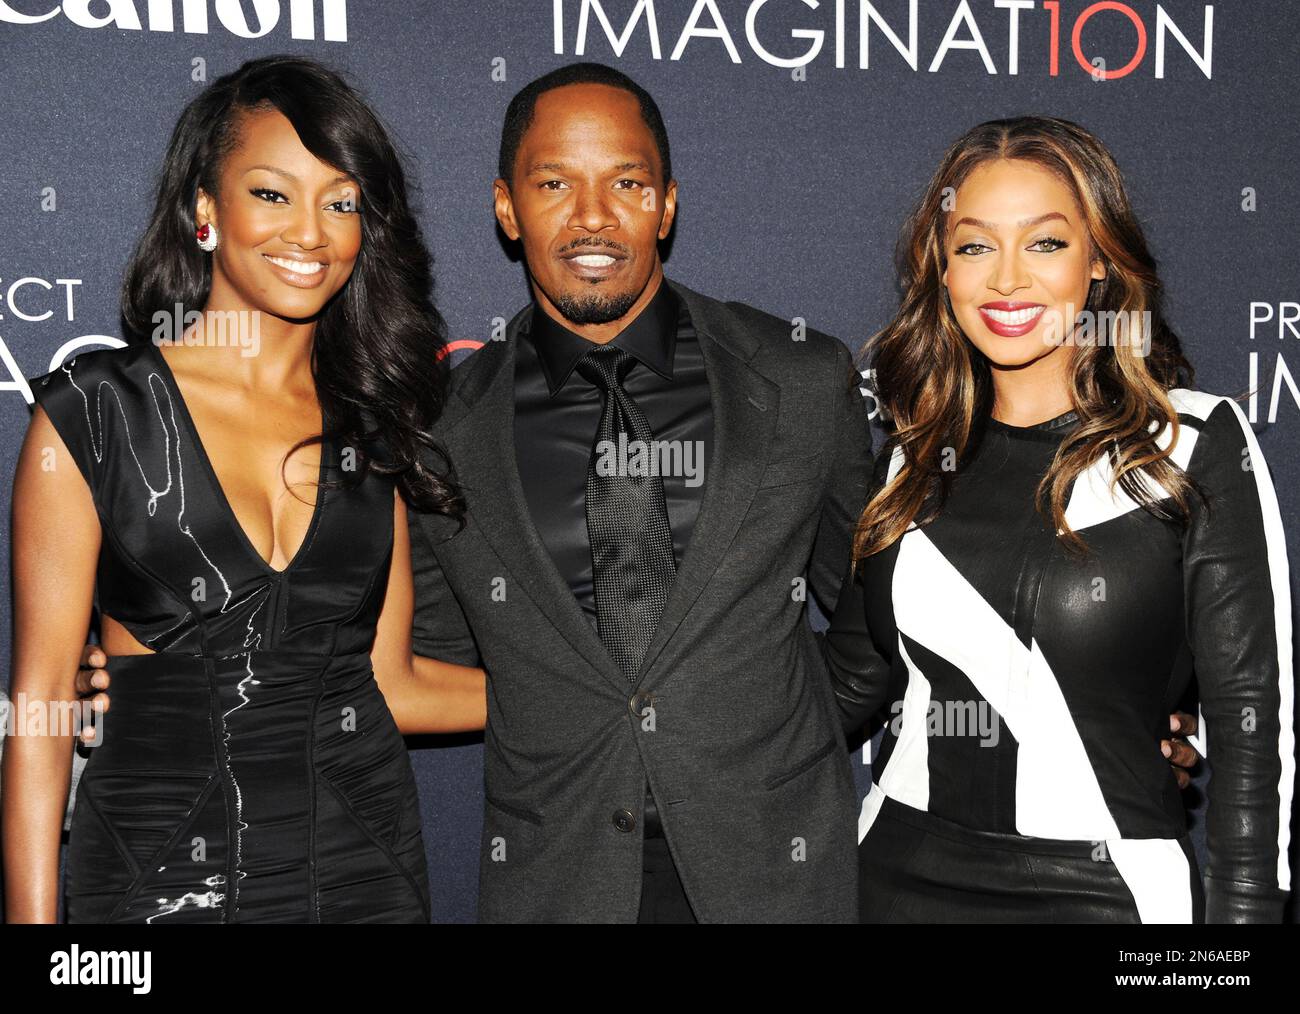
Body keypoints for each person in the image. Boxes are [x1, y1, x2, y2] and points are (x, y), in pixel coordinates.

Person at [401, 65, 1200, 923]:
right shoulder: (444, 426)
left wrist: (1106, 715)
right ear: (506, 206)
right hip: (554, 881)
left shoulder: (795, 379)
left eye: (626, 182)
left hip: (777, 874)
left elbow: (888, 608)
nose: (592, 215)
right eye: (555, 183)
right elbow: (441, 655)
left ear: (666, 204)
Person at [3, 56, 484, 924]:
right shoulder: (97, 414)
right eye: (271, 193)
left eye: (340, 203)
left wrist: (603, 697)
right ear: (203, 210)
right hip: (154, 863)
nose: (309, 231)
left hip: (363, 864)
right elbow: (41, 703)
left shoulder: (373, 437)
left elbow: (394, 684)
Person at [823, 116, 1294, 923]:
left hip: (1107, 893)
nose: (1008, 280)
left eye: (1045, 244)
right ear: (942, 272)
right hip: (896, 878)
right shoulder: (907, 464)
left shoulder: (1190, 447)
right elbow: (841, 687)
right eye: (974, 247)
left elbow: (1251, 726)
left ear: (1100, 264)